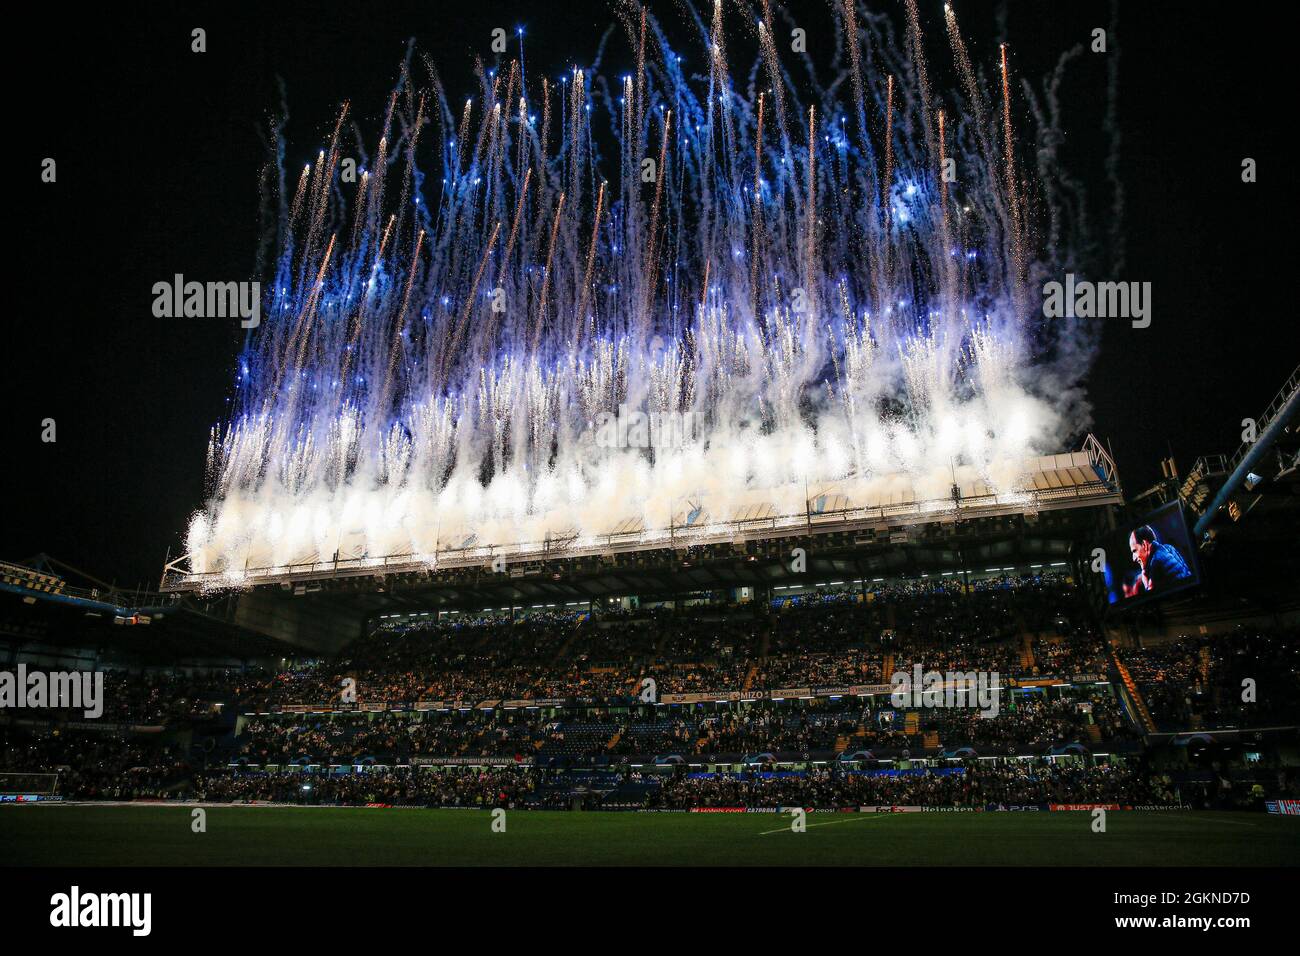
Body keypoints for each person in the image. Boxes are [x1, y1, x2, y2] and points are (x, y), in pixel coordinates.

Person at [1123, 525, 1193, 597]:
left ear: (1144, 545)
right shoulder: (1168, 547)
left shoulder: (1155, 564)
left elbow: (1154, 601)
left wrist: (1146, 584)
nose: (1133, 558)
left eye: (1134, 551)